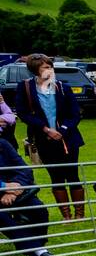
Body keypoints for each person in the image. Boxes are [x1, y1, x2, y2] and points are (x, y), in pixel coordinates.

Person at [14, 53, 85, 220]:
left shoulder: (63, 88)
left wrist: (63, 129)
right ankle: (66, 216)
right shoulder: (25, 88)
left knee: (72, 174)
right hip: (44, 138)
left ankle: (80, 214)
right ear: (35, 71)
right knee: (56, 176)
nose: (50, 70)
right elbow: (23, 113)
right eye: (45, 67)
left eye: (50, 66)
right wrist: (46, 129)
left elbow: (75, 113)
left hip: (67, 138)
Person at [0, 137, 52, 256]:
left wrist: (13, 191)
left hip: (14, 192)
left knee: (38, 209)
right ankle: (36, 249)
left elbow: (25, 170)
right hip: (5, 188)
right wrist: (3, 186)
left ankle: (38, 244)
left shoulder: (3, 144)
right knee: (2, 217)